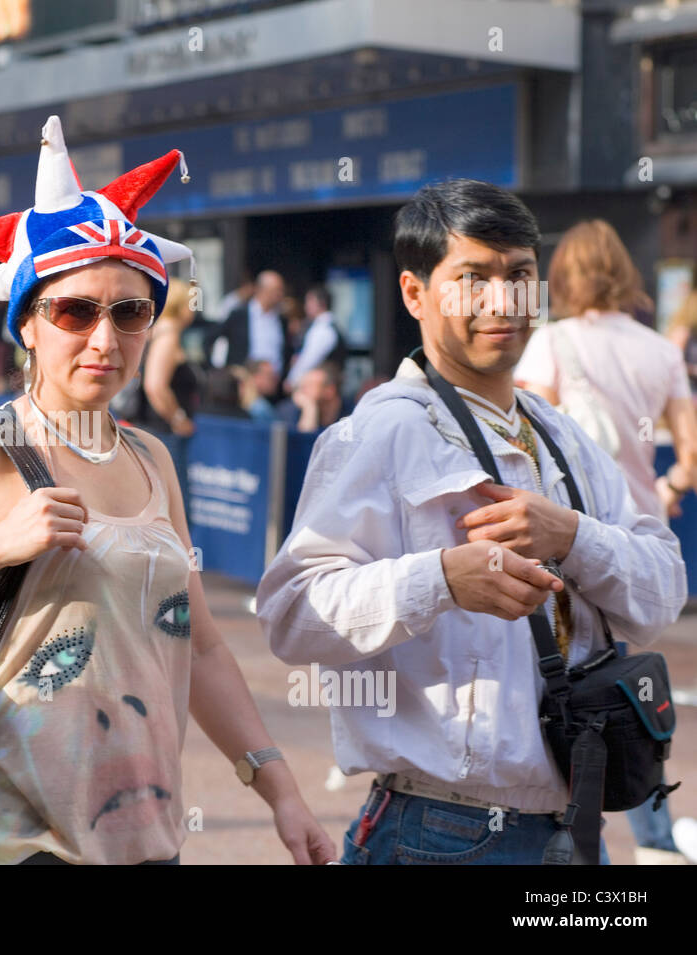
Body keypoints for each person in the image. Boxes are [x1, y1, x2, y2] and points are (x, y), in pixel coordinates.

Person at [0, 116, 335, 866]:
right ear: (28, 322)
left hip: (148, 839)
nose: (105, 338)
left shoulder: (152, 457)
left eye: (130, 312)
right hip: (19, 842)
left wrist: (280, 789)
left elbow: (204, 644)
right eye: (75, 311)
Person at [257, 179, 686, 865]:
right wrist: (439, 581)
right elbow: (289, 612)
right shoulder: (381, 431)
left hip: (574, 832)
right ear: (415, 294)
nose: (501, 302)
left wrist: (572, 536)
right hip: (442, 833)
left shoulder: (561, 436)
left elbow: (663, 590)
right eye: (472, 278)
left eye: (519, 275)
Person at [514, 218, 697, 863]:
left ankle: (582, 850)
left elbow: (527, 446)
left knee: (577, 688)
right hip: (641, 540)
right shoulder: (660, 349)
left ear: (561, 276)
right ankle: (653, 830)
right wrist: (669, 488)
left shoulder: (551, 343)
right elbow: (692, 450)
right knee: (624, 678)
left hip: (572, 541)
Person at [135, 278, 200, 499]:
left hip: (155, 429)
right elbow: (155, 385)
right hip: (164, 433)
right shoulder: (168, 334)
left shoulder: (157, 331)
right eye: (191, 303)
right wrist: (178, 418)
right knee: (176, 503)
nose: (194, 309)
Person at [209, 270, 289, 398]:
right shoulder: (239, 314)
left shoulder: (282, 320)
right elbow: (210, 338)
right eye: (276, 290)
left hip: (272, 390)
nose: (280, 294)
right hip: (242, 388)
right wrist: (217, 372)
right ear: (261, 290)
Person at [285, 285, 346, 392]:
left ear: (321, 304)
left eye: (309, 302)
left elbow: (309, 359)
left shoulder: (323, 329)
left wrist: (292, 380)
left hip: (319, 389)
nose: (305, 306)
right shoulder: (324, 326)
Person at [276, 363, 349, 433]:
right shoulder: (291, 411)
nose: (301, 391)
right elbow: (303, 441)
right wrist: (309, 409)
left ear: (330, 391)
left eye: (309, 386)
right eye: (301, 386)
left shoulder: (351, 415)